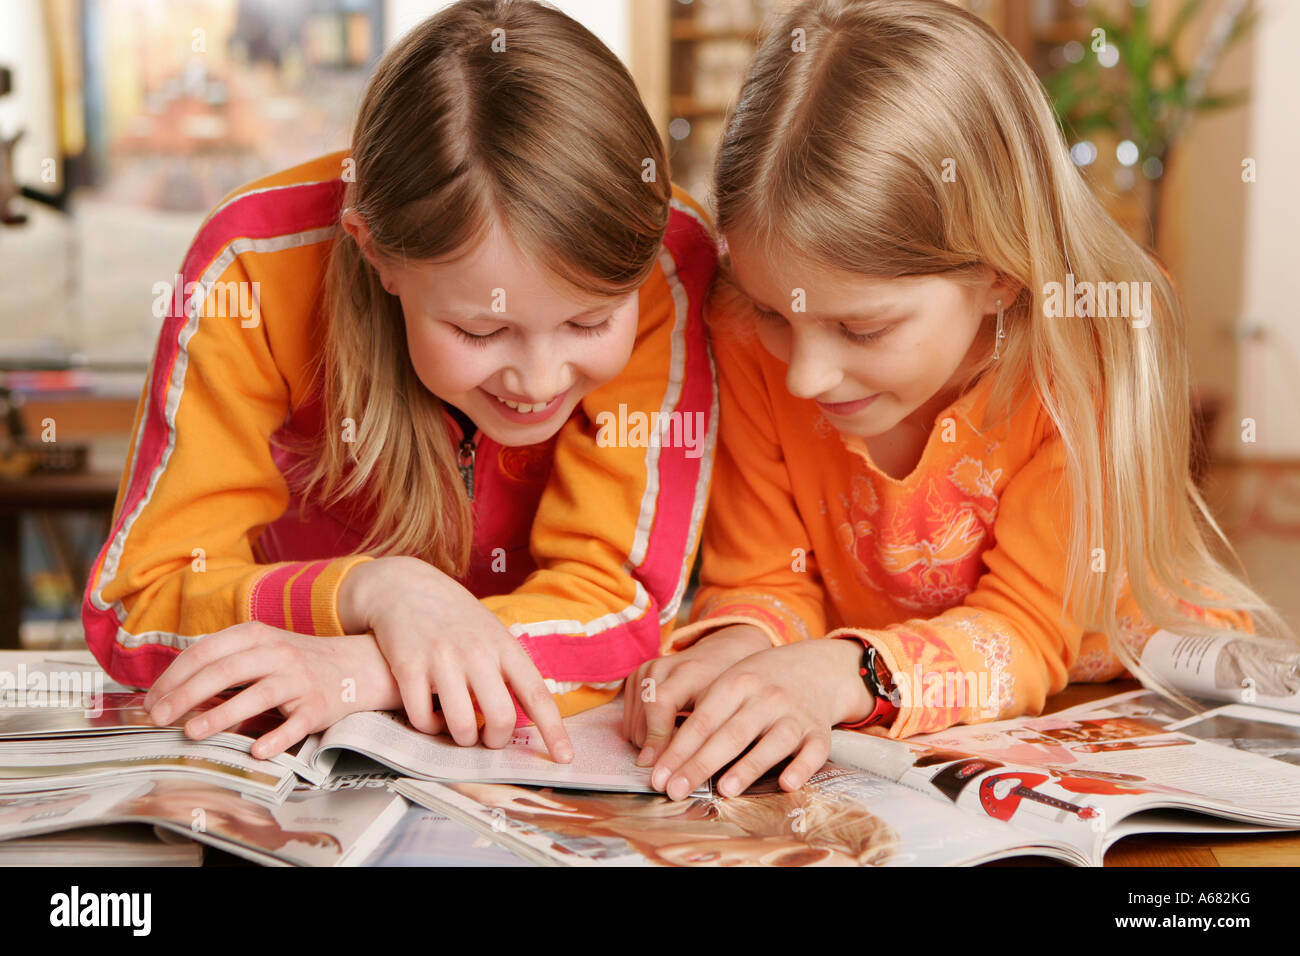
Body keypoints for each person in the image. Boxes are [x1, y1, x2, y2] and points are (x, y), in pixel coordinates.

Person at [623, 0, 1297, 801]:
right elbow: (768, 576)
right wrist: (733, 648)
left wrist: (844, 670)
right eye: (775, 313)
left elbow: (1024, 631)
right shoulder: (745, 333)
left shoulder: (1078, 365)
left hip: (1099, 686)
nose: (805, 374)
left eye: (862, 329)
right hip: (899, 694)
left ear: (998, 272)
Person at [82, 0, 717, 763]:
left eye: (590, 323)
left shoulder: (669, 260)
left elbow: (622, 607)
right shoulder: (249, 265)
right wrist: (371, 593)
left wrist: (369, 668)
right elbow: (138, 608)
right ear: (373, 249)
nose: (541, 379)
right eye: (481, 331)